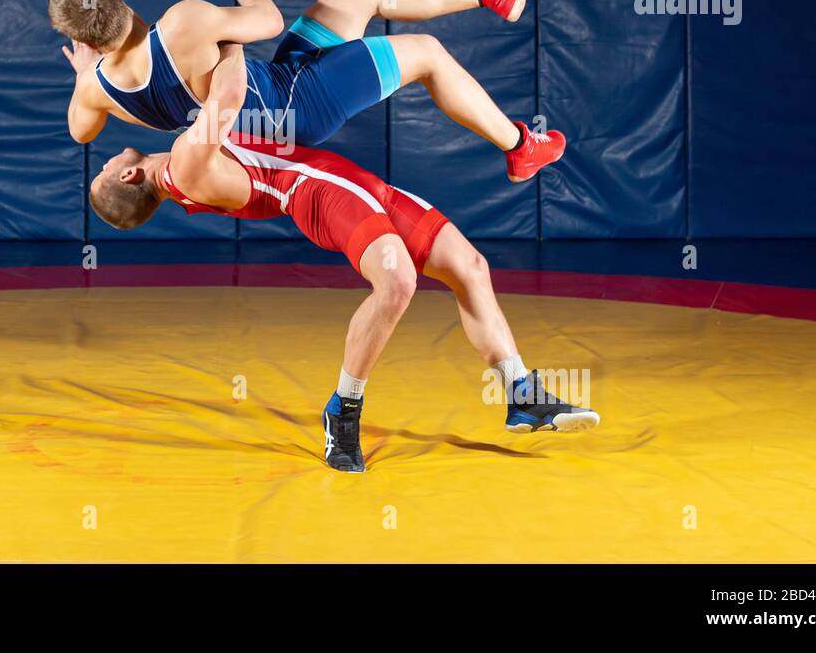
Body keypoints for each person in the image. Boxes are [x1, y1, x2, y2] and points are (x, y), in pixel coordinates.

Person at [87, 43, 599, 472]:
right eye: (105, 168)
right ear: (128, 177)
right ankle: (343, 410)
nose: (108, 157)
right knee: (397, 283)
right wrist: (232, 26)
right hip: (319, 193)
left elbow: (148, 103)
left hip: (354, 183)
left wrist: (90, 79)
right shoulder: (183, 166)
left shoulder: (179, 165)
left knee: (470, 268)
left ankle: (521, 394)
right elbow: (229, 91)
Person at [52, 0, 564, 183]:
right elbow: (268, 20)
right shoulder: (182, 23)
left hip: (275, 88)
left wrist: (83, 77)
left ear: (88, 43)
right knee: (427, 53)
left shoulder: (96, 91)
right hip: (294, 108)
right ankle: (521, 147)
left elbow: (79, 132)